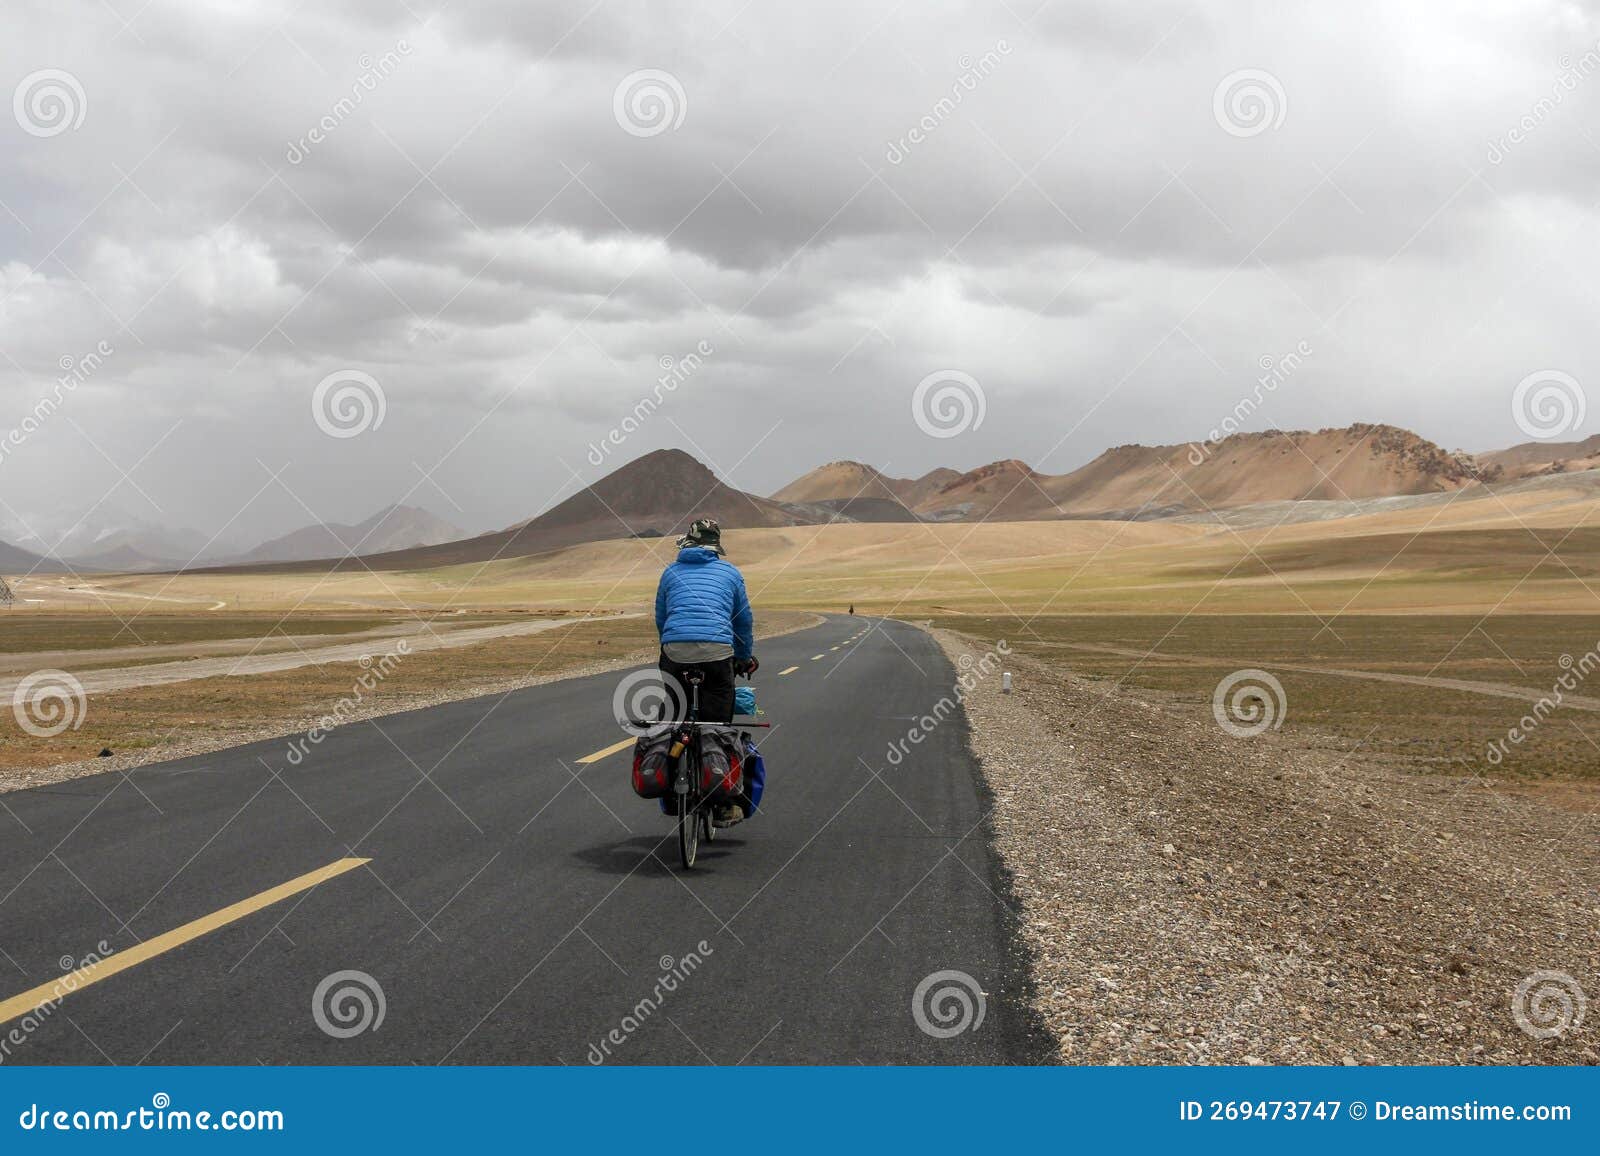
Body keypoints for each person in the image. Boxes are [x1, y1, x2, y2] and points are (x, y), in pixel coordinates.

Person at [654, 518, 757, 825]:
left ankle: (672, 785)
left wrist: (674, 646)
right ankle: (725, 803)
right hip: (717, 654)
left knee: (674, 715)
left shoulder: (670, 572)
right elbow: (743, 621)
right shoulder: (730, 573)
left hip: (675, 651)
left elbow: (661, 618)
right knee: (717, 723)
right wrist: (743, 656)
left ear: (687, 542)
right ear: (716, 547)